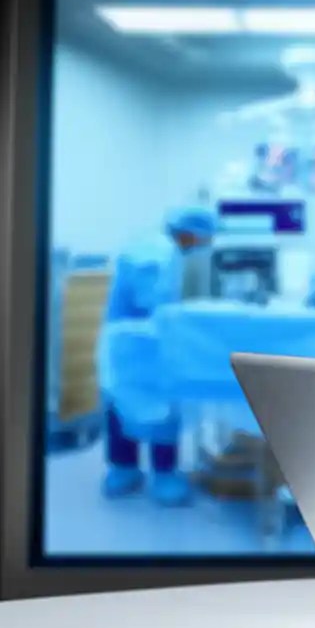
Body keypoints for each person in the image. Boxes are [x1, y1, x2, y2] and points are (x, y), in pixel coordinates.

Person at [101, 206, 216, 505]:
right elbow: (151, 301)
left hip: (136, 341)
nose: (202, 246)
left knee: (131, 403)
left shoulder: (161, 248)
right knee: (146, 404)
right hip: (137, 341)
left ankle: (130, 469)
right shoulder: (156, 252)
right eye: (202, 239)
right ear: (190, 234)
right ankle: (151, 473)